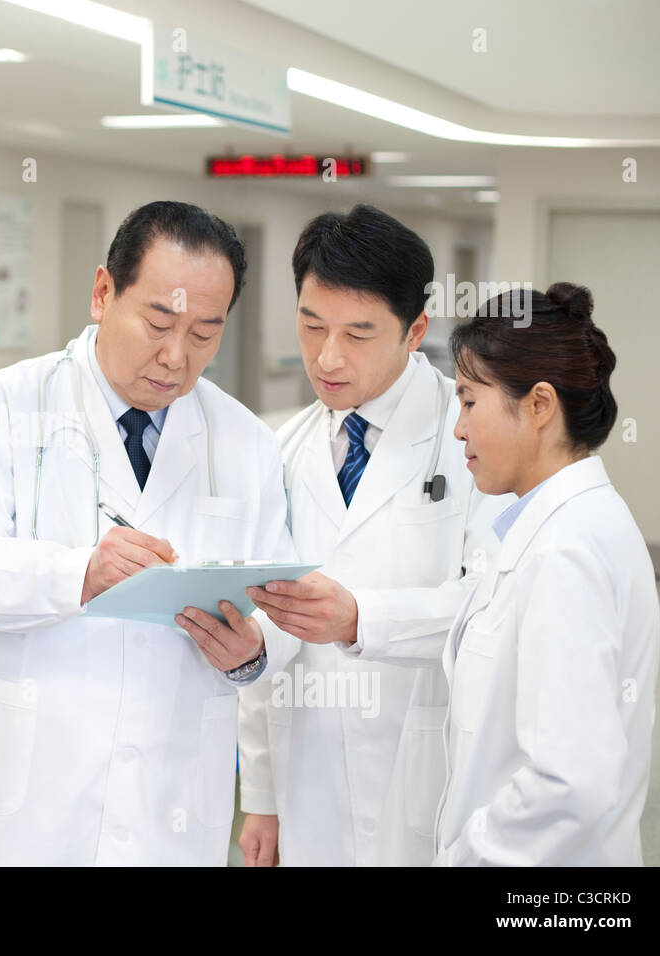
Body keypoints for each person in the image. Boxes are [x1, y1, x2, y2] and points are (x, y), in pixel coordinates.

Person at [0, 201, 294, 865]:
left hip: (166, 812)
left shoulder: (247, 444)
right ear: (102, 292)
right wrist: (76, 574)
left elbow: (281, 600)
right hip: (19, 815)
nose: (176, 356)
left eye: (205, 333)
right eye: (158, 322)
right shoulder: (1, 408)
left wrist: (253, 651)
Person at [235, 204, 511, 866]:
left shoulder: (473, 438)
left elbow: (499, 609)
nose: (327, 358)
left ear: (415, 330)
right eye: (311, 326)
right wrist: (263, 794)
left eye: (358, 334)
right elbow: (265, 628)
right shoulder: (282, 450)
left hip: (430, 767)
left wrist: (363, 619)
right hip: (310, 779)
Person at [435, 283, 659, 865]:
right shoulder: (561, 525)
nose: (458, 430)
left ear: (538, 405)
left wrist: (466, 857)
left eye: (468, 402)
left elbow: (570, 784)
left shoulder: (566, 550)